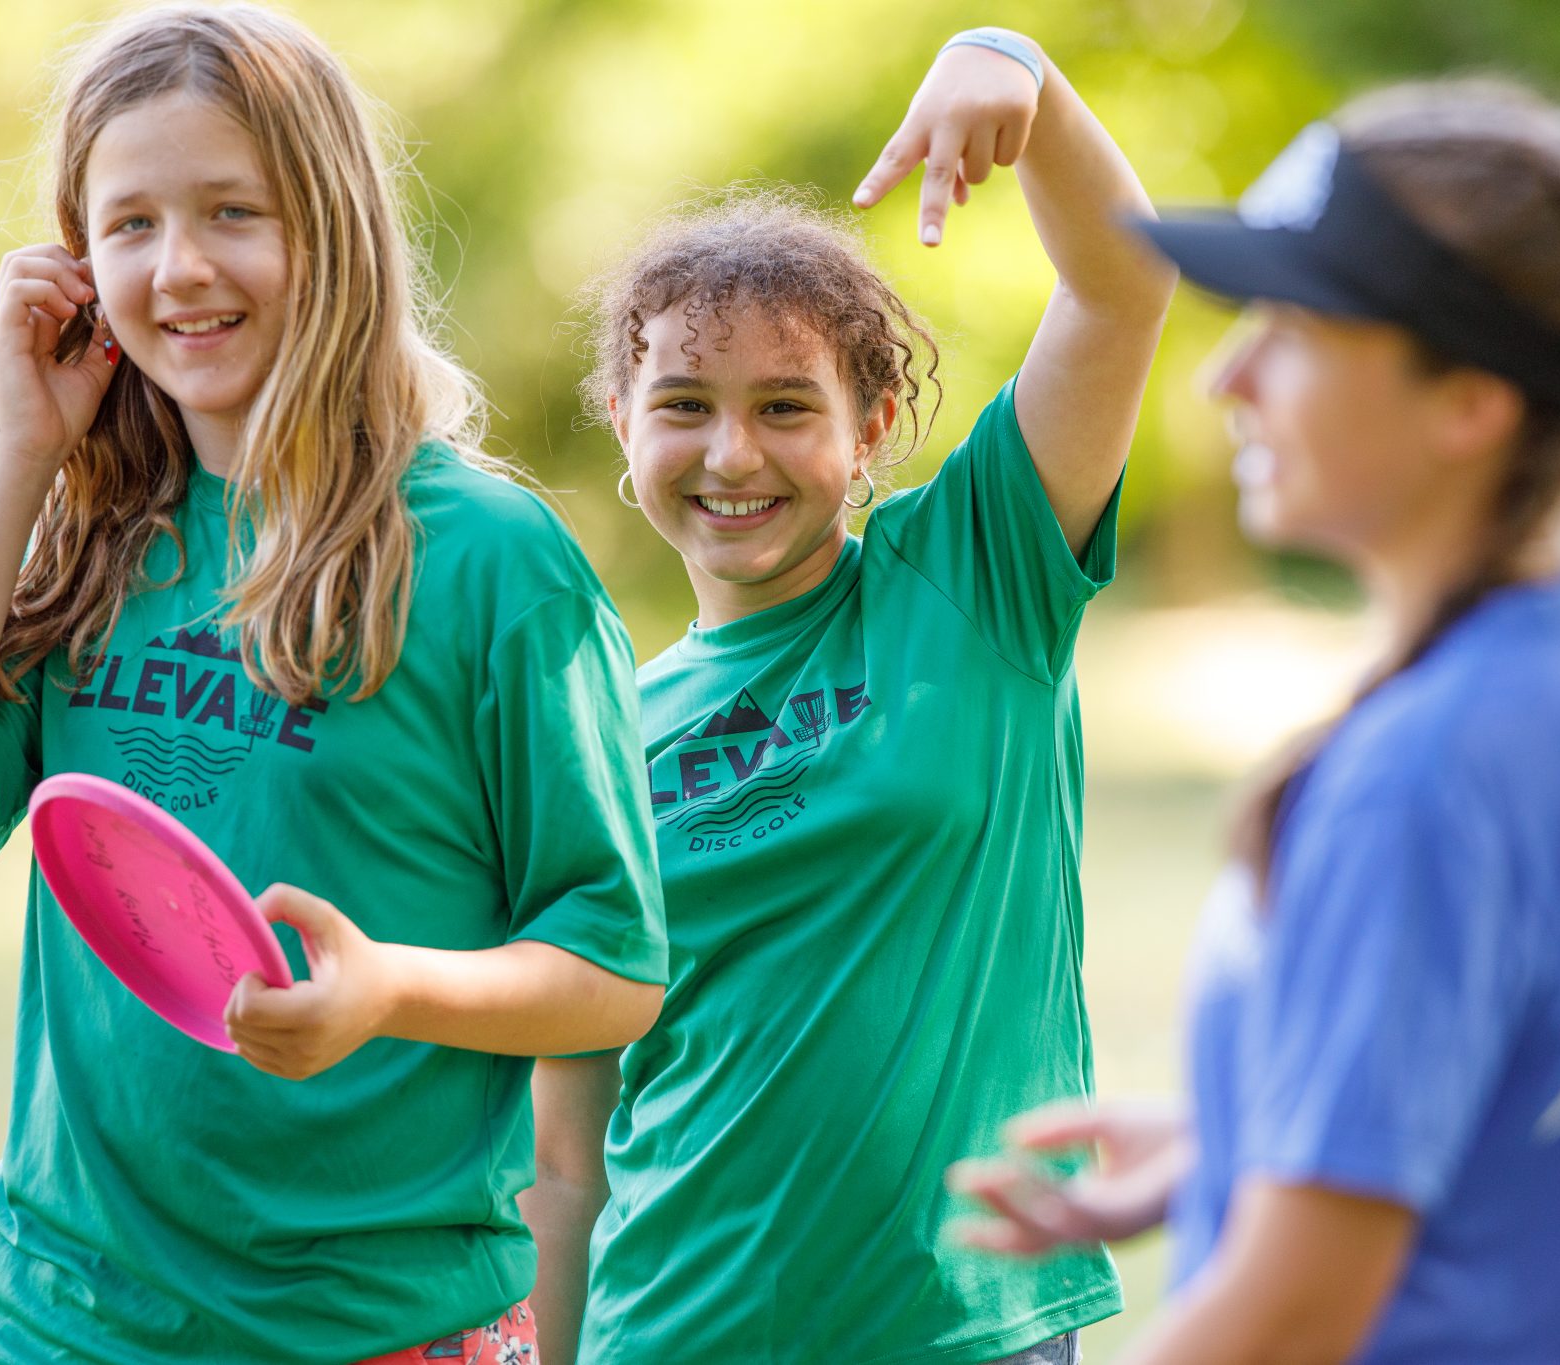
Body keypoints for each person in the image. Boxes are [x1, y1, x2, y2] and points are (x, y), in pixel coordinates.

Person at [0, 7, 666, 1361]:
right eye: (132, 224)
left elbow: (614, 969)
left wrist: (389, 989)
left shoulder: (490, 562)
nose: (180, 267)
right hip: (60, 1318)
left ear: (331, 229)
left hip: (374, 1326)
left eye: (234, 211)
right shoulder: (97, 528)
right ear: (78, 264)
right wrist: (21, 454)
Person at [951, 78, 1560, 1364]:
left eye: (1293, 325)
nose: (1226, 374)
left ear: (1469, 403)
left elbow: (1284, 1317)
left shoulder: (1416, 776)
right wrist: (1246, 1151)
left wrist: (1295, 1205)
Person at [522, 26, 1177, 1365]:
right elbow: (567, 1149)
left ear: (871, 429)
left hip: (966, 1329)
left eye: (785, 406)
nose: (732, 453)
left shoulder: (975, 580)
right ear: (621, 415)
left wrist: (1018, 74)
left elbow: (1121, 285)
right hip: (672, 1332)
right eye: (685, 404)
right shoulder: (594, 731)